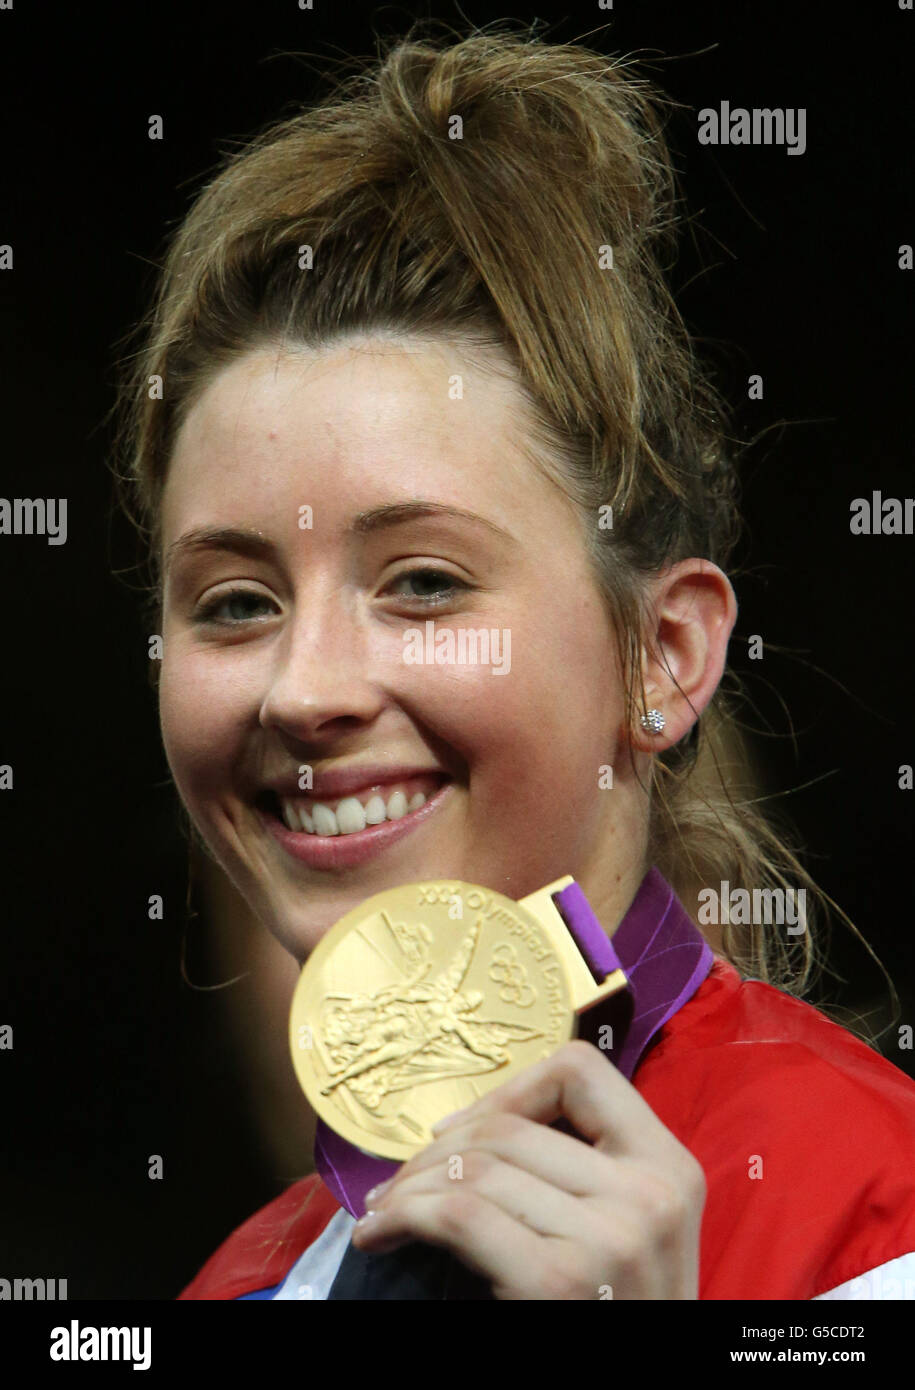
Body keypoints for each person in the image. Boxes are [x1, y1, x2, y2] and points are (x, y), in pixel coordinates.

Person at [111, 22, 915, 1299]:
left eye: (423, 583)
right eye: (236, 602)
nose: (305, 687)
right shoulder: (240, 1285)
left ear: (661, 656)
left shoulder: (879, 1221)